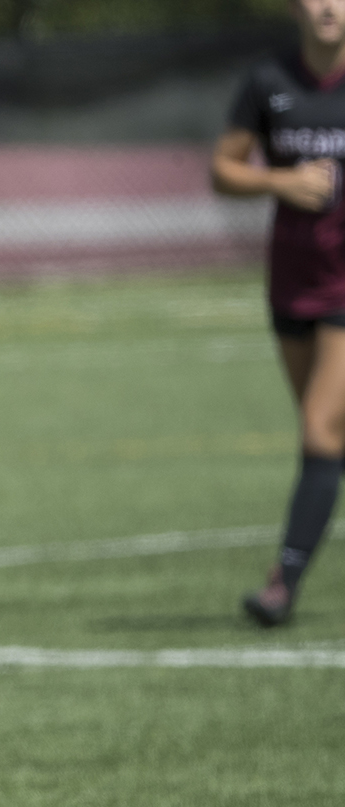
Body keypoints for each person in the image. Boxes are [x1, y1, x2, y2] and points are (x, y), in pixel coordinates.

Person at [214, 0, 345, 626]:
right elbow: (223, 169)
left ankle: (282, 584)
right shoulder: (270, 82)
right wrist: (282, 184)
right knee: (329, 437)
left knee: (321, 431)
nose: (327, 5)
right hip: (292, 286)